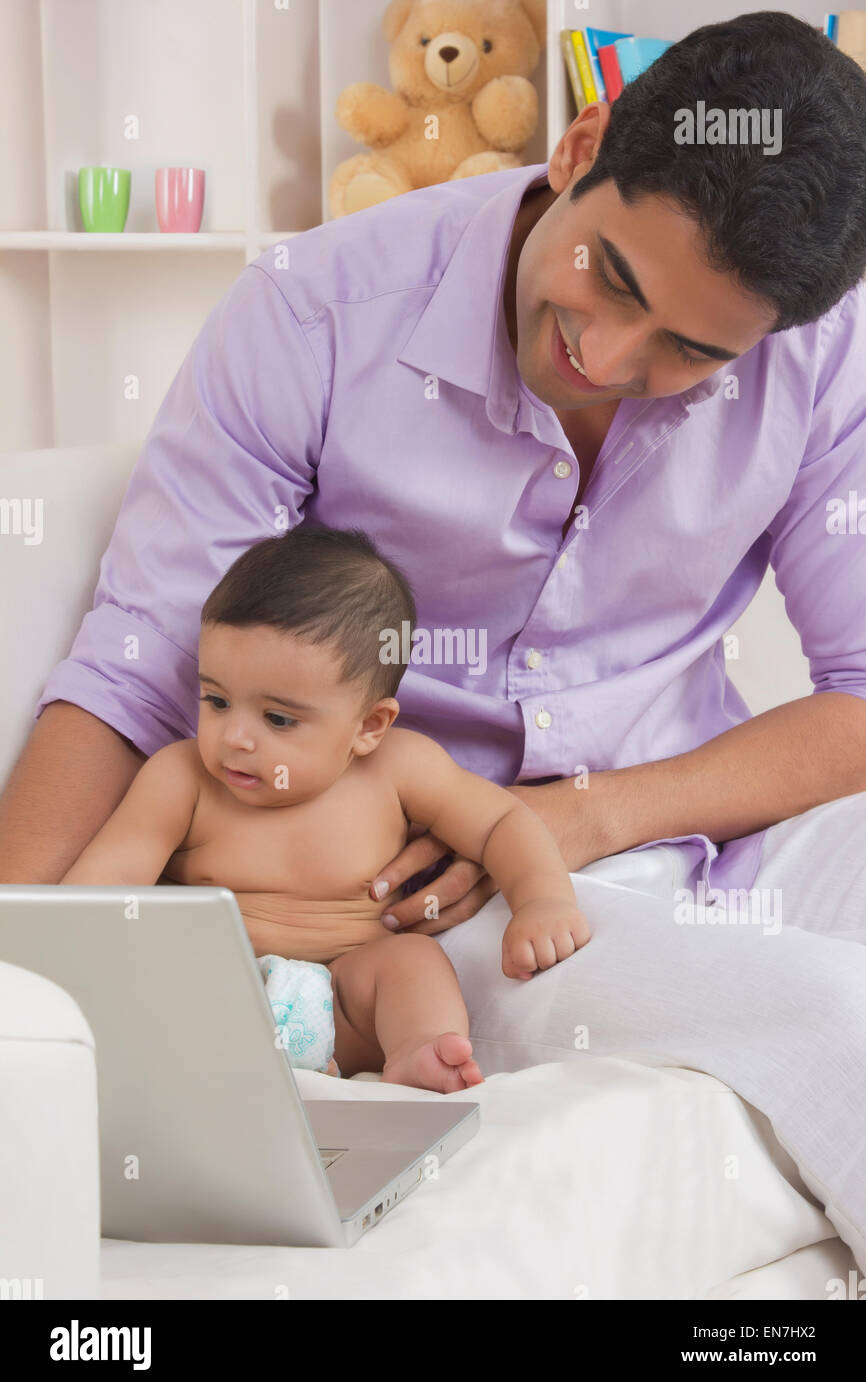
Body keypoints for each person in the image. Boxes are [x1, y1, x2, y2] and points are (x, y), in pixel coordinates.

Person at [1, 13, 865, 1263]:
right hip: (445, 898)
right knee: (832, 1017)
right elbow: (135, 675)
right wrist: (17, 979)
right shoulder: (313, 316)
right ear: (577, 147)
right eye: (610, 278)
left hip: (677, 814)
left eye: (688, 350)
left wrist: (594, 811)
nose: (605, 356)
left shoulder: (819, 353)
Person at [59, 525, 588, 1090]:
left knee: (412, 963)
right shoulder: (180, 777)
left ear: (369, 726)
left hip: (346, 1006)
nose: (235, 737)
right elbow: (107, 884)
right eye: (216, 700)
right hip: (219, 998)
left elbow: (501, 821)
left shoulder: (402, 768)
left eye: (278, 719)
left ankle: (417, 1052)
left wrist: (542, 899)